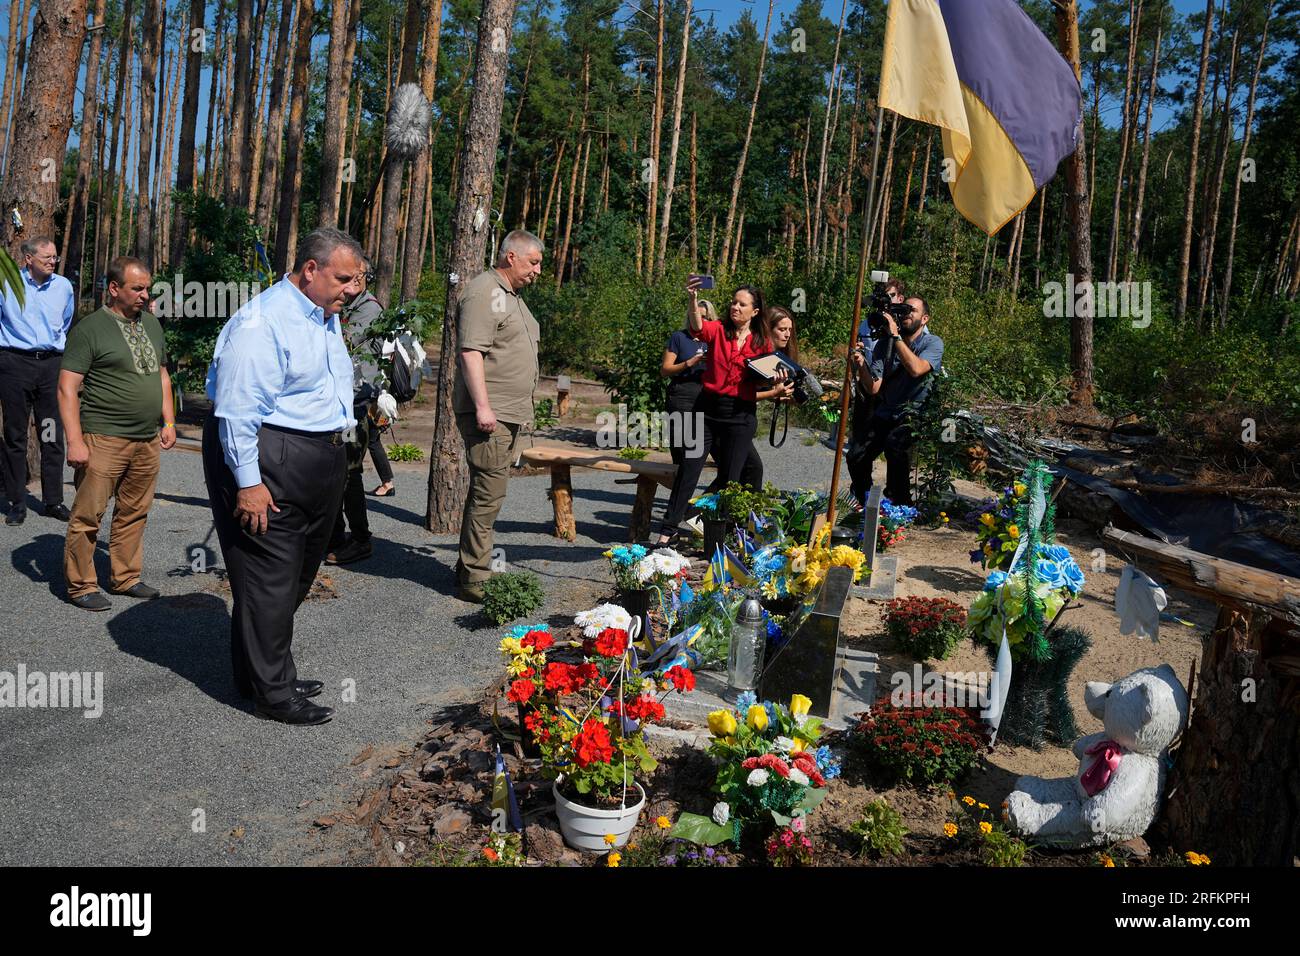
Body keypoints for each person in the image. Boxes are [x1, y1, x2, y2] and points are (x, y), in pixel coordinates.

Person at [202, 228, 364, 725]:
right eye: (343, 278)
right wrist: (249, 483)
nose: (352, 290)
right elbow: (235, 411)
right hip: (270, 455)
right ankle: (273, 693)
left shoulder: (322, 313)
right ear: (310, 269)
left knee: (294, 574)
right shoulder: (262, 321)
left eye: (357, 280)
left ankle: (258, 672)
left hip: (318, 453)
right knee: (269, 576)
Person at [58, 257, 177, 611]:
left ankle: (125, 577)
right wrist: (75, 440)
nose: (145, 295)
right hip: (103, 438)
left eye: (147, 288)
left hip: (146, 439)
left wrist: (168, 422)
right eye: (137, 288)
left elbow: (162, 376)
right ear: (114, 289)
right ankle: (81, 585)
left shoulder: (152, 325)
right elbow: (67, 387)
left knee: (134, 511)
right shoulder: (90, 329)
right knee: (87, 515)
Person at [452, 229, 543, 603]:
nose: (538, 270)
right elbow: (471, 352)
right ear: (511, 257)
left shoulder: (511, 297)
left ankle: (469, 567)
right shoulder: (484, 292)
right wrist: (484, 407)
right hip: (491, 414)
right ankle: (474, 578)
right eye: (533, 262)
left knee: (490, 493)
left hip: (508, 414)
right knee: (488, 494)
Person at [657, 280, 772, 544]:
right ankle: (667, 531)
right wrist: (692, 298)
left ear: (754, 311)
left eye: (742, 304)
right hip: (707, 409)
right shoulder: (719, 329)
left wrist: (774, 379)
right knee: (688, 469)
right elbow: (697, 327)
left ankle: (721, 538)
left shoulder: (762, 342)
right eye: (733, 302)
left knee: (731, 479)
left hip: (740, 414)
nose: (735, 307)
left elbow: (764, 378)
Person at [0, 236, 76, 525]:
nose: (52, 261)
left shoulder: (64, 287)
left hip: (50, 366)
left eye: (54, 257)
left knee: (50, 433)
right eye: (46, 257)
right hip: (14, 364)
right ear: (28, 259)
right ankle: (17, 502)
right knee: (16, 435)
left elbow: (66, 322)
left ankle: (53, 501)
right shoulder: (8, 284)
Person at [847, 295, 944, 505]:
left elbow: (917, 369)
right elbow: (873, 387)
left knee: (895, 445)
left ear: (925, 318)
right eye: (903, 310)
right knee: (856, 455)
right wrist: (861, 364)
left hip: (913, 414)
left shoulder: (933, 343)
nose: (906, 314)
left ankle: (900, 504)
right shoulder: (885, 344)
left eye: (912, 310)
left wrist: (895, 337)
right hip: (886, 411)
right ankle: (865, 501)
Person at [326, 256, 384, 565]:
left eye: (355, 275)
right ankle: (333, 535)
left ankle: (360, 539)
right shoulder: (349, 307)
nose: (350, 281)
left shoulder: (369, 309)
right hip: (342, 401)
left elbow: (346, 344)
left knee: (349, 471)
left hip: (356, 405)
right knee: (335, 470)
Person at [659, 297, 715, 472]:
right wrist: (688, 363)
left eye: (705, 317)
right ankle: (678, 492)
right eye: (697, 315)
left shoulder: (713, 340)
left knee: (696, 451)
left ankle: (688, 492)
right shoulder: (679, 337)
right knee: (680, 448)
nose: (700, 320)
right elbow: (665, 370)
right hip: (681, 396)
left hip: (706, 397)